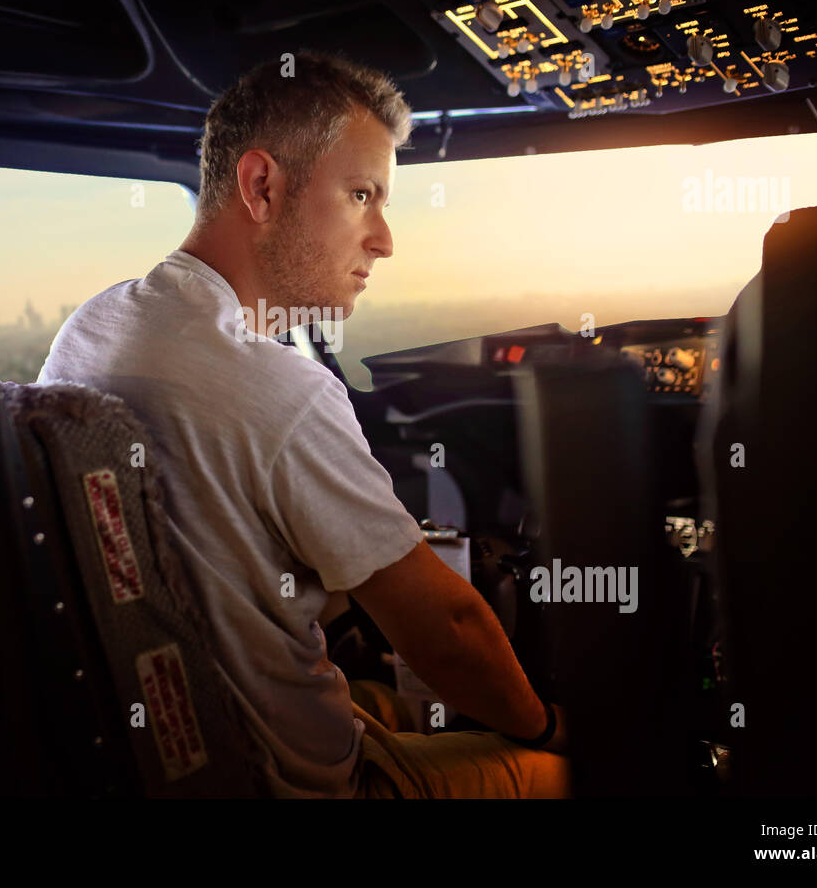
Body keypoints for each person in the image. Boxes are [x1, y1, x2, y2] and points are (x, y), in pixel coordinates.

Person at [38, 51, 570, 798]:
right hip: (298, 783)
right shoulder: (278, 386)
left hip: (153, 752)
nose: (384, 238)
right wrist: (548, 725)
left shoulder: (92, 328)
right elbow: (447, 630)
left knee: (392, 703)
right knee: (563, 771)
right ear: (261, 187)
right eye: (361, 195)